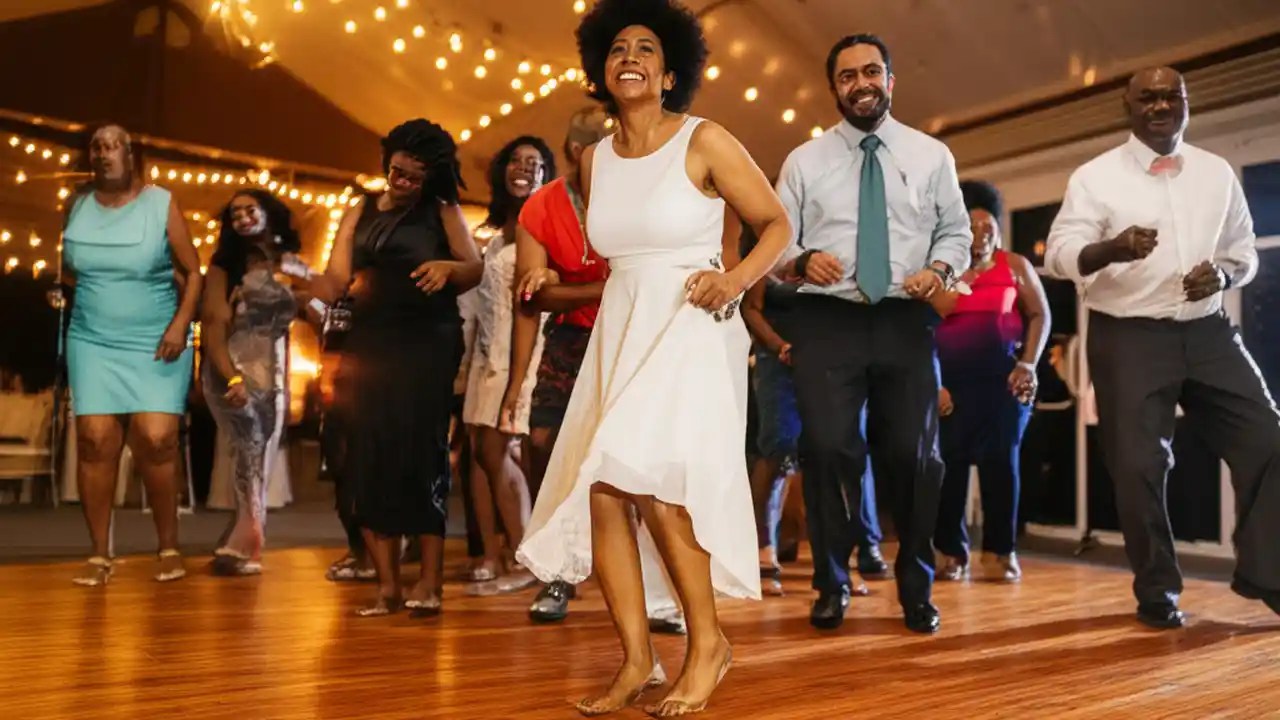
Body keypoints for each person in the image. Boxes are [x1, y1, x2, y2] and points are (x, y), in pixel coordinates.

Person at [514, 1, 791, 715]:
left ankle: (709, 646)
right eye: (616, 49)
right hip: (623, 325)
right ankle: (638, 659)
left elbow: (776, 224)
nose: (629, 57)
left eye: (645, 49)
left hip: (690, 323)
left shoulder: (705, 139)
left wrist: (734, 279)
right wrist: (543, 275)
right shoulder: (593, 160)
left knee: (658, 486)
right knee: (605, 491)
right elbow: (609, 255)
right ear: (601, 71)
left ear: (670, 75)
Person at [1044, 67, 1280, 628]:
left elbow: (1243, 252)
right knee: (1137, 467)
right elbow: (1058, 254)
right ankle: (1157, 588)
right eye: (1146, 98)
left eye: (1171, 96)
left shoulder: (1217, 173)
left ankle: (1268, 574)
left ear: (1186, 103)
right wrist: (1112, 249)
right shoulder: (1095, 177)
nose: (1159, 106)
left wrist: (1224, 276)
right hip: (1128, 335)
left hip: (1207, 330)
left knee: (1269, 439)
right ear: (1127, 107)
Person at [775, 34, 971, 633]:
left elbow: (957, 233)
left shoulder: (931, 155)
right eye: (847, 76)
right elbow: (776, 241)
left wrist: (939, 270)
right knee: (829, 450)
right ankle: (832, 582)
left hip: (903, 318)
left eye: (871, 72)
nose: (860, 83)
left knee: (915, 456)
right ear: (833, 89)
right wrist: (802, 259)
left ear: (889, 80)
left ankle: (916, 586)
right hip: (827, 320)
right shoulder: (803, 162)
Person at [503, 106, 686, 635]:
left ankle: (657, 594)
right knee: (544, 444)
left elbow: (660, 275)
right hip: (572, 340)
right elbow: (532, 298)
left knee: (639, 463)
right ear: (577, 151)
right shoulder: (543, 205)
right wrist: (515, 383)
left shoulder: (645, 197)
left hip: (639, 336)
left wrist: (566, 288)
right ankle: (559, 573)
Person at [307, 119, 482, 617]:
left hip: (426, 342)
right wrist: (296, 282)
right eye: (397, 171)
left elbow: (474, 268)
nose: (402, 182)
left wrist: (449, 268)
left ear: (432, 177)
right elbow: (336, 279)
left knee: (420, 453)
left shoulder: (441, 210)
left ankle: (429, 583)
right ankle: (387, 588)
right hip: (370, 340)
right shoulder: (359, 209)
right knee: (365, 453)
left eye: (414, 176)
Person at [60, 123, 204, 586]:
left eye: (113, 146)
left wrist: (181, 325)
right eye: (97, 147)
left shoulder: (160, 202)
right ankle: (99, 554)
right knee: (94, 440)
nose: (104, 154)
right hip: (93, 340)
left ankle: (168, 546)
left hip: (156, 338)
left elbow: (193, 272)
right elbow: (69, 272)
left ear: (130, 154)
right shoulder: (76, 204)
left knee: (156, 438)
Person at [738, 216, 888, 596]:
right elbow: (752, 309)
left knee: (838, 454)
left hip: (831, 363)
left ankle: (843, 558)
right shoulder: (769, 252)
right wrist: (779, 346)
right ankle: (762, 549)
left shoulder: (835, 254)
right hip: (779, 360)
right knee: (779, 449)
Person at [931, 181, 1050, 583]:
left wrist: (1029, 363)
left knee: (1001, 465)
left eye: (988, 228)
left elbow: (1040, 315)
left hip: (1003, 383)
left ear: (998, 229)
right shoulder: (942, 272)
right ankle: (950, 551)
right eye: (971, 228)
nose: (980, 235)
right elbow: (922, 329)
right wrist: (934, 384)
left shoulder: (1014, 266)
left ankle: (1000, 551)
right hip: (950, 386)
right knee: (949, 470)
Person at [461, 136, 556, 588]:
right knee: (479, 454)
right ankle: (491, 553)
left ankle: (525, 556)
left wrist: (519, 380)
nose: (523, 168)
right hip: (485, 356)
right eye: (515, 160)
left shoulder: (545, 226)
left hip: (523, 353)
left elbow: (534, 305)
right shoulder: (497, 233)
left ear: (546, 175)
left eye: (534, 163)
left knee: (500, 451)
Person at [201, 189, 308, 575]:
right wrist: (231, 376)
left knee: (263, 454)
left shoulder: (288, 262)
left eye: (251, 209)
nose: (243, 218)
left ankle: (246, 542)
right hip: (233, 368)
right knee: (250, 452)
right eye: (235, 213)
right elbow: (213, 327)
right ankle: (246, 544)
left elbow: (323, 301)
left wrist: (309, 294)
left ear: (269, 214)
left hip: (275, 371)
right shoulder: (224, 267)